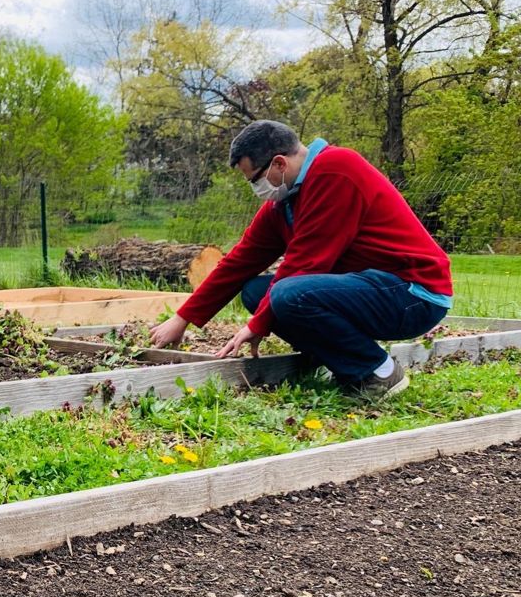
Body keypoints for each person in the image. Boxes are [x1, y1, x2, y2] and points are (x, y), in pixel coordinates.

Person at [149, 120, 453, 398]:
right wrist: (183, 318)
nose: (255, 189)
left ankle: (379, 372)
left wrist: (258, 324)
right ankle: (333, 359)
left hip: (412, 293)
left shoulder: (336, 170)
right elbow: (239, 261)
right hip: (371, 289)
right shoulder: (284, 203)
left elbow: (306, 263)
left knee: (287, 294)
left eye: (255, 179)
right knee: (255, 292)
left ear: (279, 163)